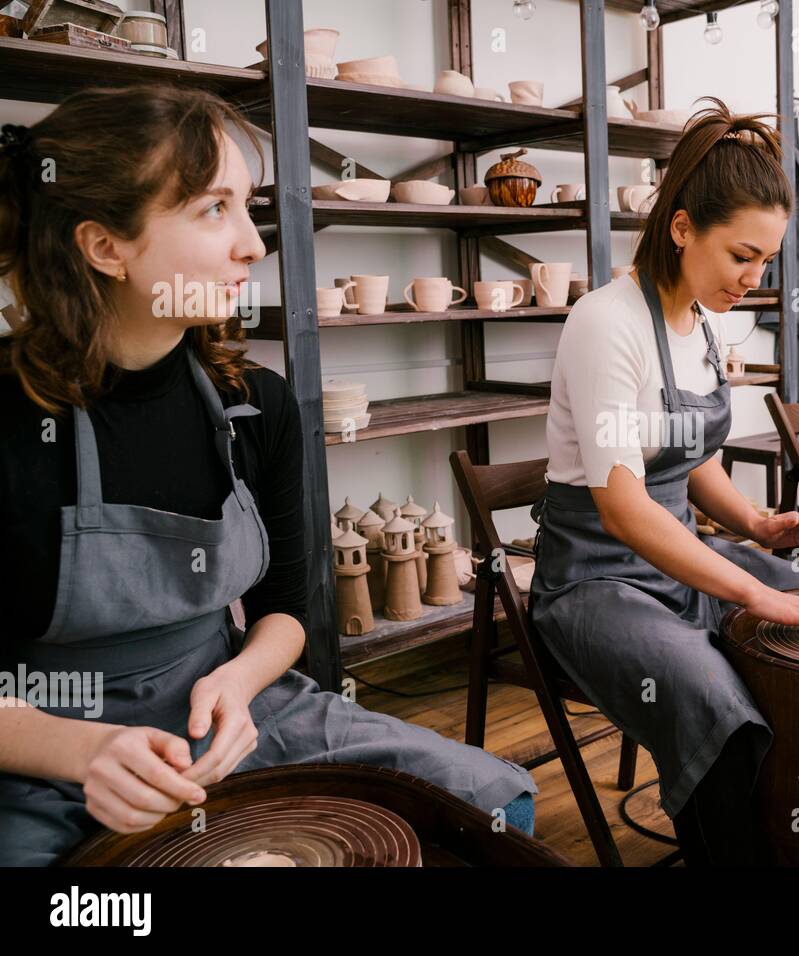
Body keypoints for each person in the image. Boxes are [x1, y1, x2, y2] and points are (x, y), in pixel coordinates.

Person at [0, 86, 536, 867]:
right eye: (213, 210)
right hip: (40, 748)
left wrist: (242, 683)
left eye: (246, 208)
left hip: (226, 714)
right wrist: (76, 752)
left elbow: (284, 609)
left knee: (486, 803)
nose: (253, 246)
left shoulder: (256, 404)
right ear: (103, 245)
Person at [528, 99, 799, 866]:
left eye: (766, 262)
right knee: (710, 702)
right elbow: (622, 507)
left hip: (676, 554)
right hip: (595, 582)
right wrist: (749, 587)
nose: (754, 278)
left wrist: (755, 525)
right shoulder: (606, 323)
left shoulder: (704, 324)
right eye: (741, 256)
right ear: (682, 228)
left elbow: (694, 461)